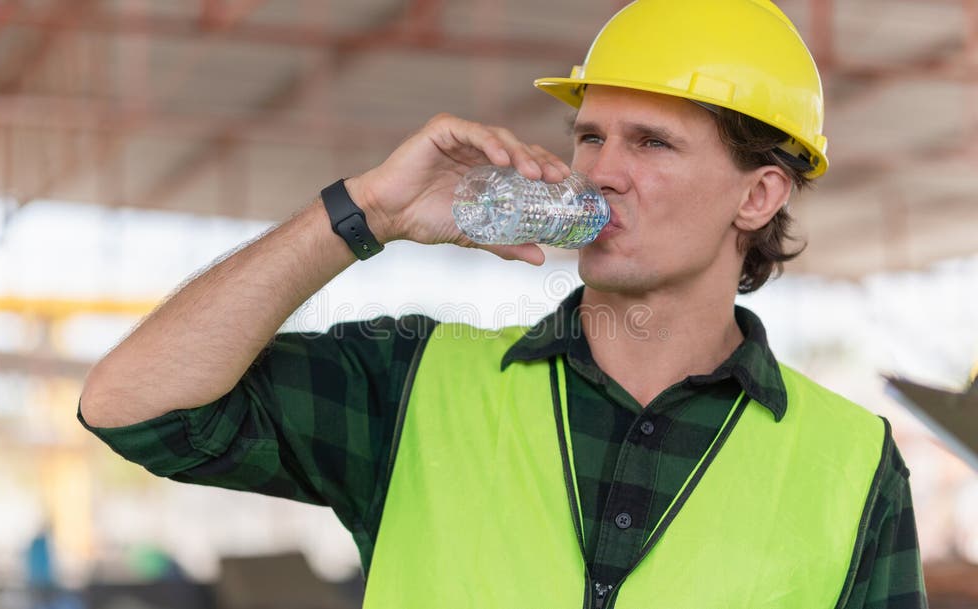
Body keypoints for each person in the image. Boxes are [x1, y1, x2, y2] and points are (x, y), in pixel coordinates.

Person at [78, 1, 927, 607]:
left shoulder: (852, 465)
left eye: (651, 142)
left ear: (759, 196)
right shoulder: (414, 383)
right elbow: (132, 403)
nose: (599, 170)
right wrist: (364, 214)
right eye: (590, 135)